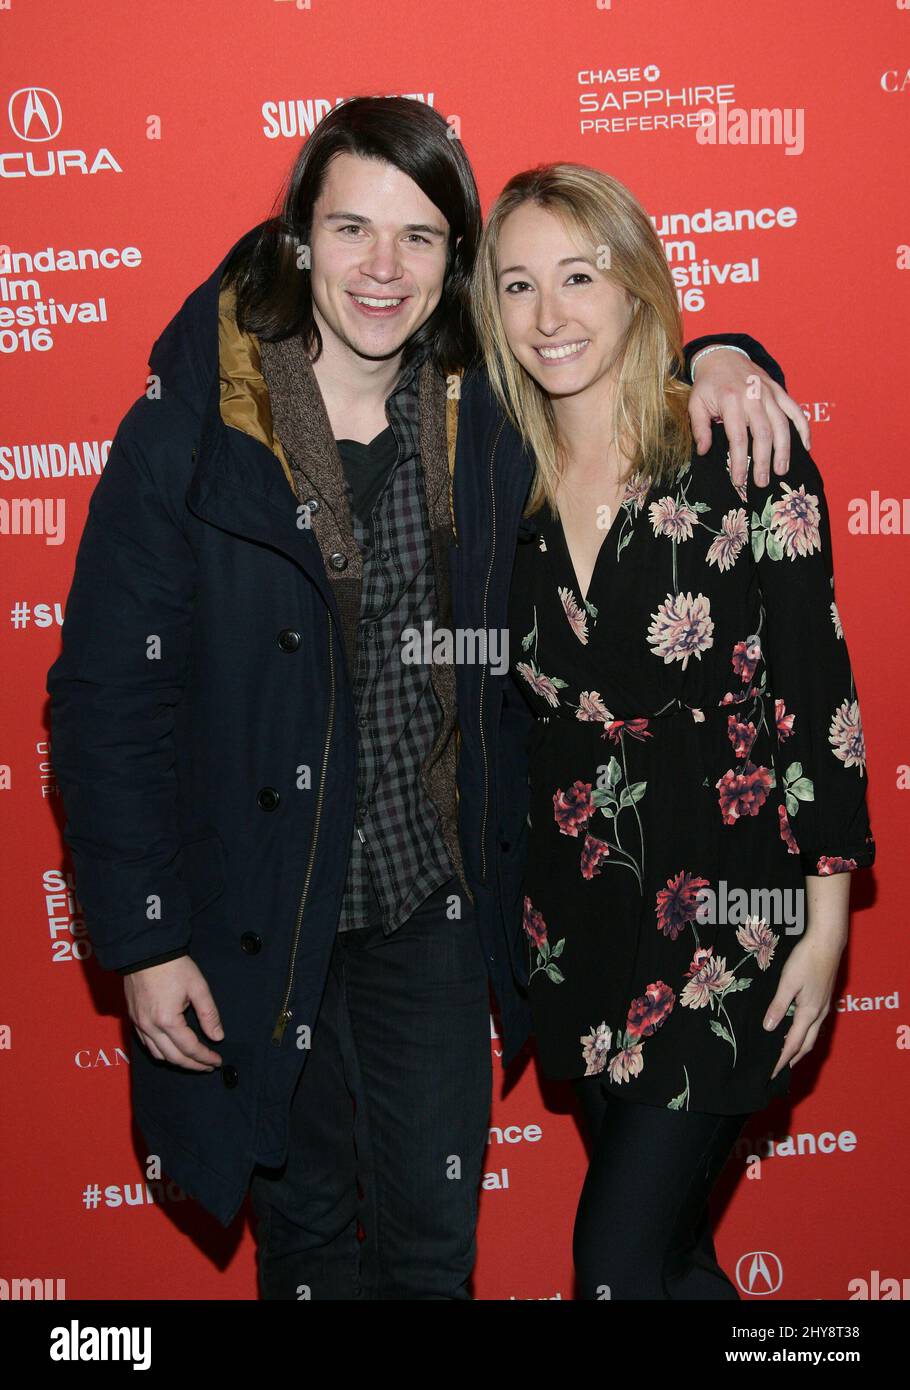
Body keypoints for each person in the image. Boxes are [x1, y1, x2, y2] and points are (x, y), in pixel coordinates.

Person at [46, 97, 806, 1300]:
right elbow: (104, 693)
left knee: (432, 1257)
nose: (381, 269)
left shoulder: (480, 405)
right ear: (298, 237)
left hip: (434, 915)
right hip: (261, 914)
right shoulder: (196, 425)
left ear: (454, 258)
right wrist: (142, 938)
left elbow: (609, 354)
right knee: (307, 1257)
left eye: (418, 238)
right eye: (350, 229)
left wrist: (725, 355)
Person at [453, 162, 875, 1299]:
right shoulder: (501, 484)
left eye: (579, 277)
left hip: (730, 920)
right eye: (519, 286)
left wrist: (824, 925)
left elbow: (816, 699)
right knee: (676, 1261)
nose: (550, 317)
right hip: (575, 927)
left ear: (635, 284)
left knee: (614, 1265)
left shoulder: (742, 451)